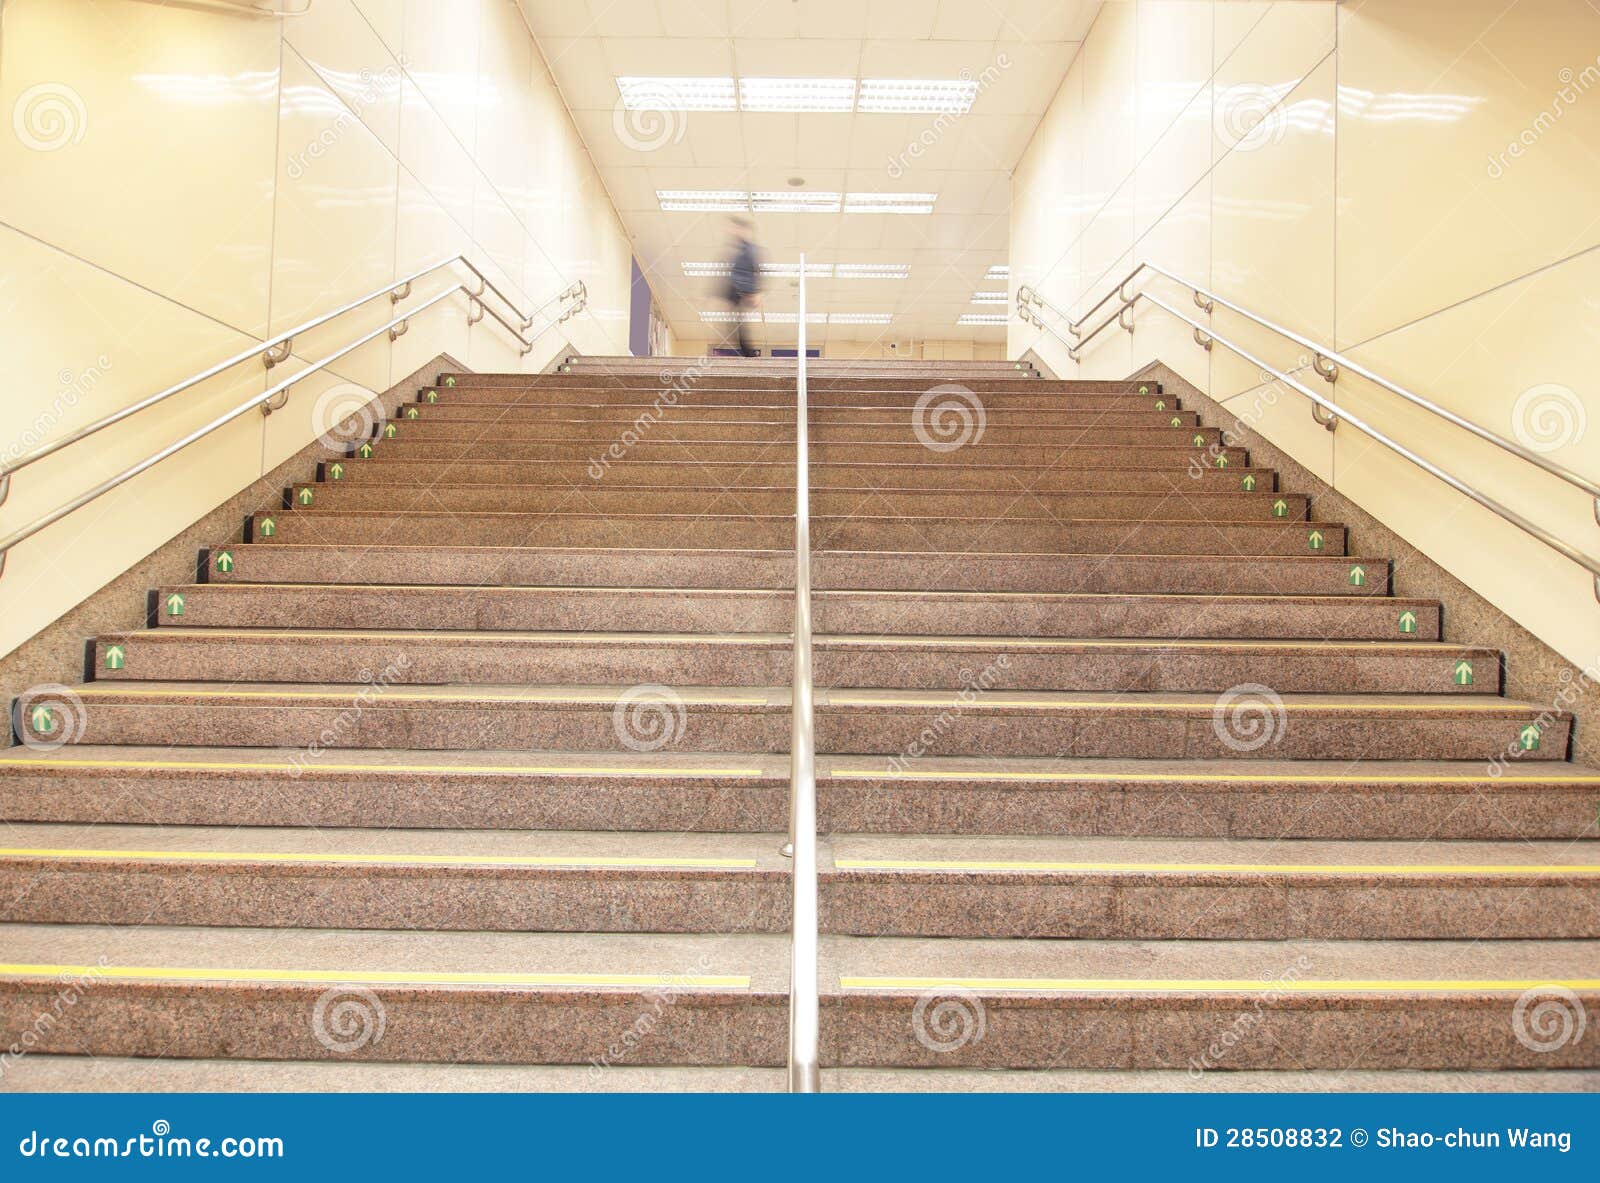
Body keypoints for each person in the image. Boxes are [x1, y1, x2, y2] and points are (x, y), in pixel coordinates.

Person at [723, 216, 763, 357]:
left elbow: (755, 269)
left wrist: (754, 292)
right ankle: (747, 351)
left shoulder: (750, 250)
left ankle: (748, 352)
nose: (733, 232)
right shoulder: (738, 249)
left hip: (741, 289)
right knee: (735, 322)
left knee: (738, 322)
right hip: (735, 289)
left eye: (736, 229)